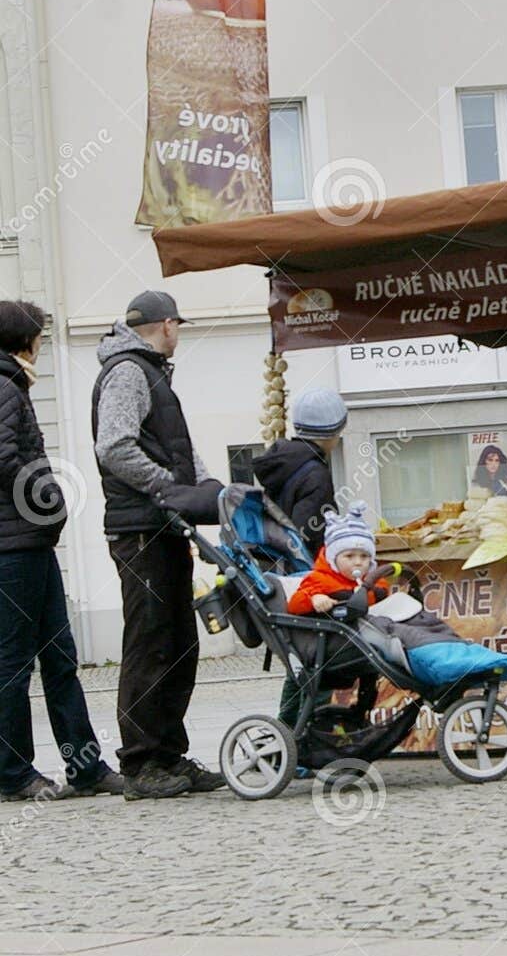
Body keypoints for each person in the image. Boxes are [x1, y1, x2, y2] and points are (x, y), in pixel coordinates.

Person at [91, 290, 224, 801]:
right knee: (151, 643)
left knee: (178, 644)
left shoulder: (151, 373)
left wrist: (205, 490)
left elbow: (179, 449)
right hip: (141, 528)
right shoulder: (128, 370)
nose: (179, 335)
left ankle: (169, 754)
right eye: (178, 326)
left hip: (162, 524)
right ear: (166, 325)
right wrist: (168, 489)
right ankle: (142, 764)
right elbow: (115, 446)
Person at [0, 301, 122, 801]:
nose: (43, 345)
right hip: (14, 550)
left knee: (60, 657)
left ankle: (85, 767)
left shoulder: (11, 385)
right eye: (40, 336)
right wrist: (48, 500)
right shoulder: (4, 387)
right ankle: (13, 774)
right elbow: (4, 456)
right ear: (22, 341)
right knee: (13, 662)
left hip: (29, 544)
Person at [252, 387, 346, 553]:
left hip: (278, 565)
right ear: (334, 432)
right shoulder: (316, 474)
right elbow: (311, 535)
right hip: (303, 572)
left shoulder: (284, 462)